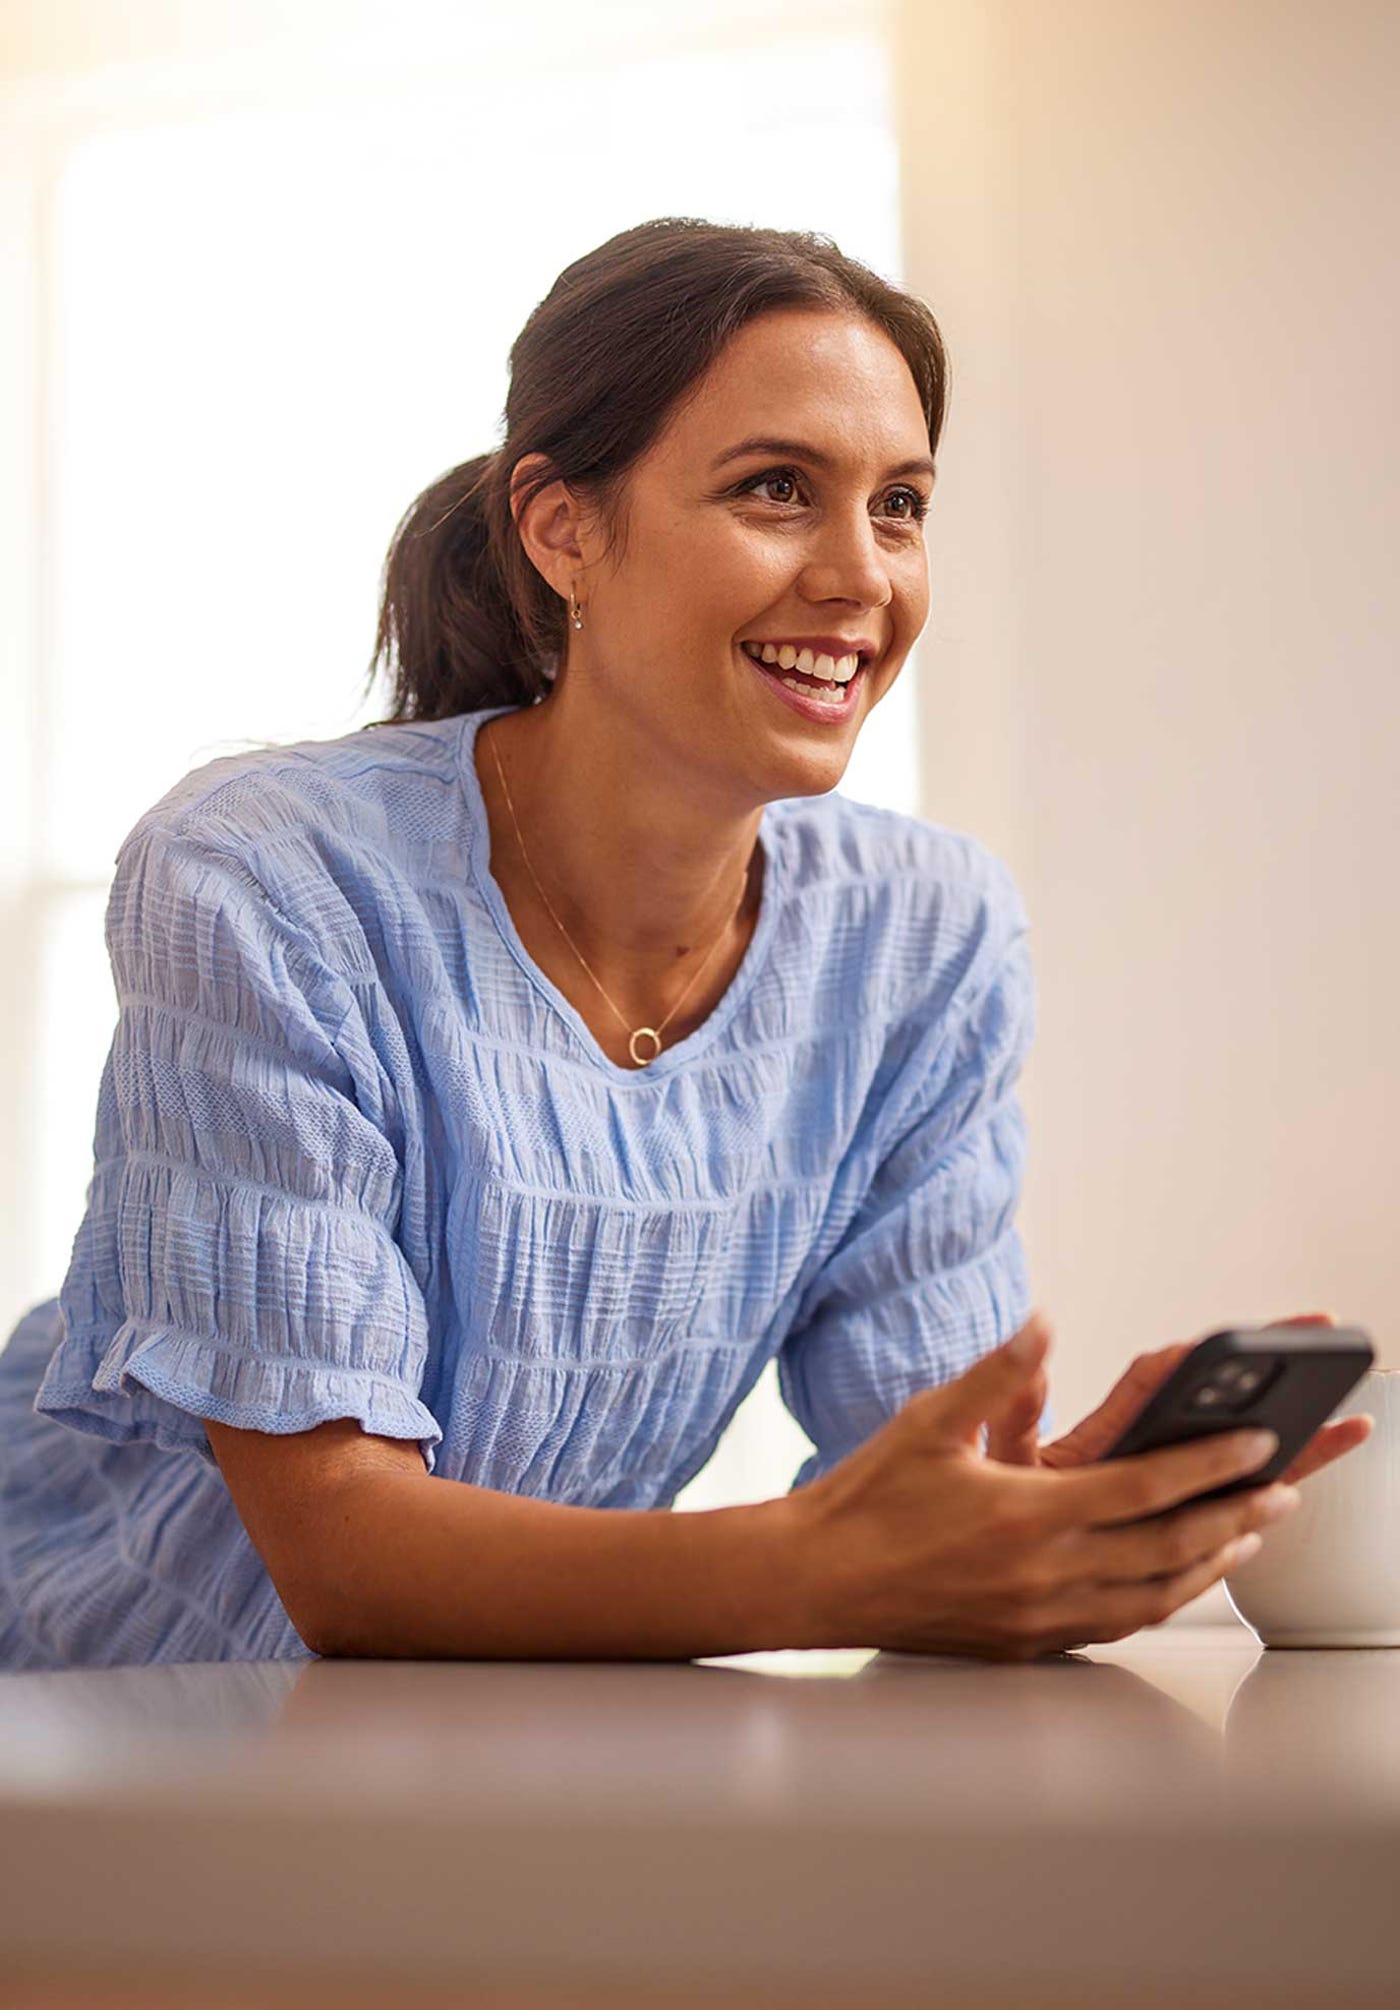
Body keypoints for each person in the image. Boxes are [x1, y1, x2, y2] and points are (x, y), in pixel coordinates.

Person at [0, 218, 1369, 1672]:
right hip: (95, 1703)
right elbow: (343, 1558)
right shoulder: (271, 878)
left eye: (901, 506)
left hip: (476, 1732)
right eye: (777, 489)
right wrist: (843, 1571)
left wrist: (1040, 1524)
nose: (862, 577)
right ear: (563, 530)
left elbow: (913, 1475)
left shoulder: (923, 942)